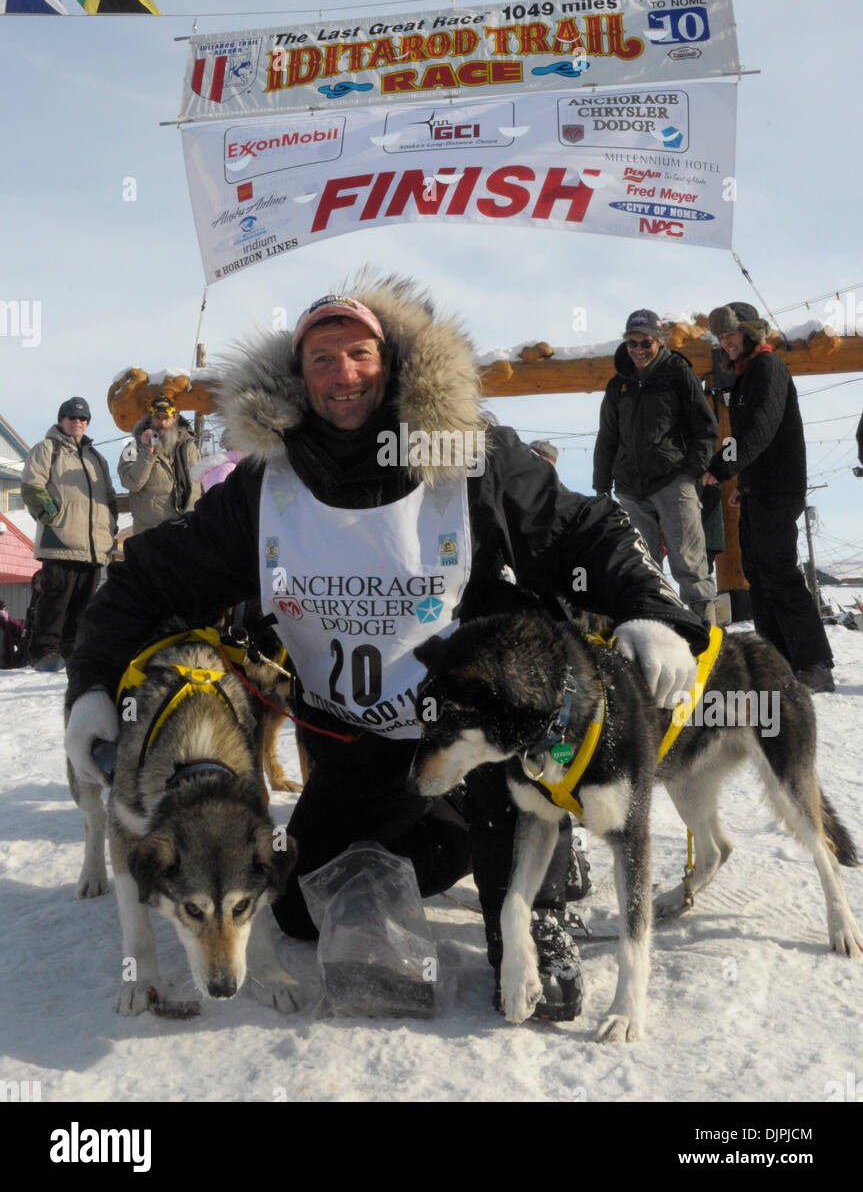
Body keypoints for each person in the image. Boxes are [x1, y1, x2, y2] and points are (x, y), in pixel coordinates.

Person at [65, 277, 708, 1020]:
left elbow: (583, 528)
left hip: (473, 732)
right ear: (296, 378)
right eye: (321, 359)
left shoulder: (465, 454)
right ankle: (435, 837)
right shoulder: (263, 486)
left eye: (359, 354)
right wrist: (91, 685)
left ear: (392, 361)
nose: (343, 373)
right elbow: (146, 578)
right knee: (299, 904)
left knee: (535, 982)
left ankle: (538, 896)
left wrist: (651, 610)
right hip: (353, 741)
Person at [703, 301, 835, 692]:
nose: (725, 343)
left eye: (730, 335)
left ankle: (814, 664)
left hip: (779, 489)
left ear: (749, 331)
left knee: (778, 571)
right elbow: (760, 441)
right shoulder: (747, 375)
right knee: (757, 573)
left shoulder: (767, 368)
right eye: (720, 338)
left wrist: (720, 467)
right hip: (761, 488)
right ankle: (778, 664)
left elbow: (758, 430)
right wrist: (744, 485)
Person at [593, 308, 718, 622]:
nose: (638, 350)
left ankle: (708, 633)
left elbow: (706, 428)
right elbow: (607, 436)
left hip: (673, 482)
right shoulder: (617, 384)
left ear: (659, 341)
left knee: (689, 565)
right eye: (632, 343)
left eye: (645, 343)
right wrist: (601, 485)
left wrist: (690, 472)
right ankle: (657, 630)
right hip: (631, 490)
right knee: (642, 567)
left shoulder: (677, 374)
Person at [21, 397, 117, 672]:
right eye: (72, 418)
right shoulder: (47, 449)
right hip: (60, 540)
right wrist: (52, 516)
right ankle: (44, 652)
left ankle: (73, 652)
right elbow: (31, 486)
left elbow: (109, 496)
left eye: (83, 419)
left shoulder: (96, 457)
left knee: (83, 605)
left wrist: (109, 527)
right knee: (55, 600)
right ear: (62, 420)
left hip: (92, 545)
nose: (77, 422)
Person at [118, 396, 201, 535]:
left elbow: (202, 482)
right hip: (153, 534)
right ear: (151, 418)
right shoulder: (131, 447)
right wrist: (147, 452)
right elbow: (131, 482)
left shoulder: (189, 445)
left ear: (175, 418)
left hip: (189, 529)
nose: (161, 422)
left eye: (166, 417)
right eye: (157, 417)